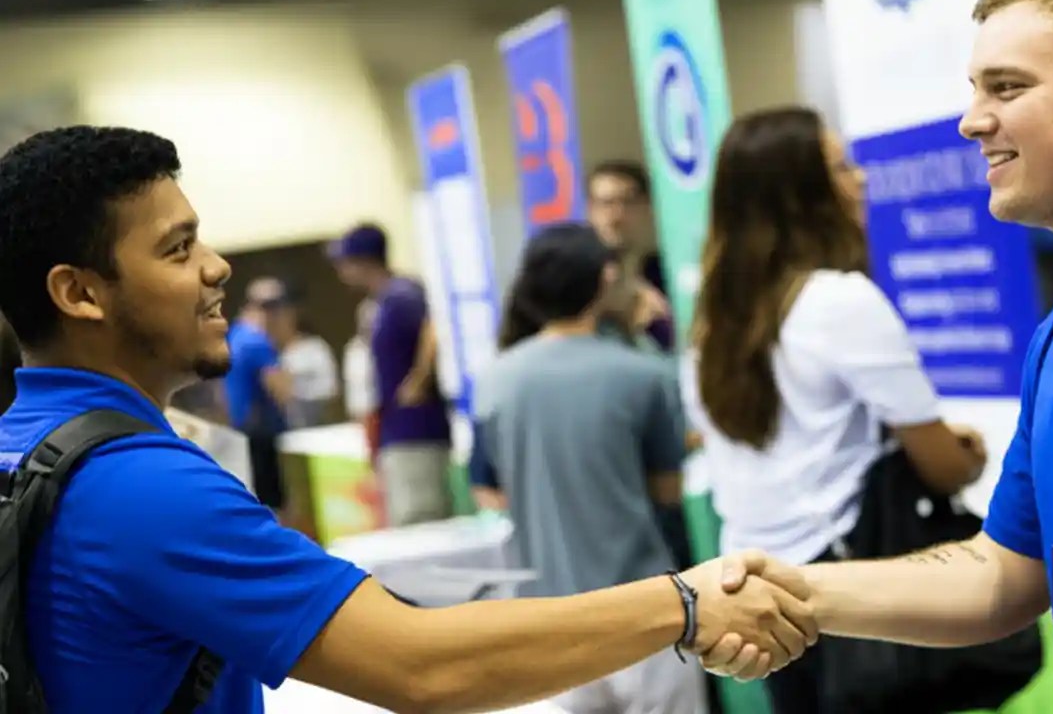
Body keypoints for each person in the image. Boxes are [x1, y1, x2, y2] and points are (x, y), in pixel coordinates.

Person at [0, 125, 819, 714]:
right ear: (78, 292)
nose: (216, 267)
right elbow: (422, 669)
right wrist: (681, 603)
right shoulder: (141, 488)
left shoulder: (24, 447)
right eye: (177, 250)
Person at [702, 0, 1053, 711]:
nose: (972, 120)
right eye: (975, 90)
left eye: (1006, 87)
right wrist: (798, 590)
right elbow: (1002, 572)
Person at [682, 105, 987, 714]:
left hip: (757, 589)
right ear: (797, 195)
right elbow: (943, 467)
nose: (860, 179)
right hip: (848, 591)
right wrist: (970, 450)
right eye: (838, 166)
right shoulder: (839, 303)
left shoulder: (711, 324)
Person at [472, 222, 706, 713]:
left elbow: (488, 489)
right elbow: (667, 490)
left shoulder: (497, 380)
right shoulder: (641, 374)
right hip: (645, 609)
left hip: (548, 617)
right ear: (606, 278)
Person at [328, 224, 453, 525]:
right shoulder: (382, 302)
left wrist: (419, 380)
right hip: (396, 430)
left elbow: (433, 330)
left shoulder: (402, 295)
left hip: (414, 431)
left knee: (421, 521)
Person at [587, 160, 674, 352]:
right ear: (590, 211)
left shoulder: (668, 273)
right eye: (606, 203)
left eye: (627, 202)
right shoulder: (580, 280)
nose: (616, 216)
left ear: (647, 207)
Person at [223, 276, 291, 509]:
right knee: (276, 502)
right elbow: (280, 389)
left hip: (241, 429)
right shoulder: (257, 341)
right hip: (263, 433)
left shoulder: (235, 334)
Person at [261, 290, 339, 428]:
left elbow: (331, 390)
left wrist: (293, 391)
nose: (273, 322)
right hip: (283, 434)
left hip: (314, 431)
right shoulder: (269, 354)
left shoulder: (314, 348)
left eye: (278, 315)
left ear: (291, 316)